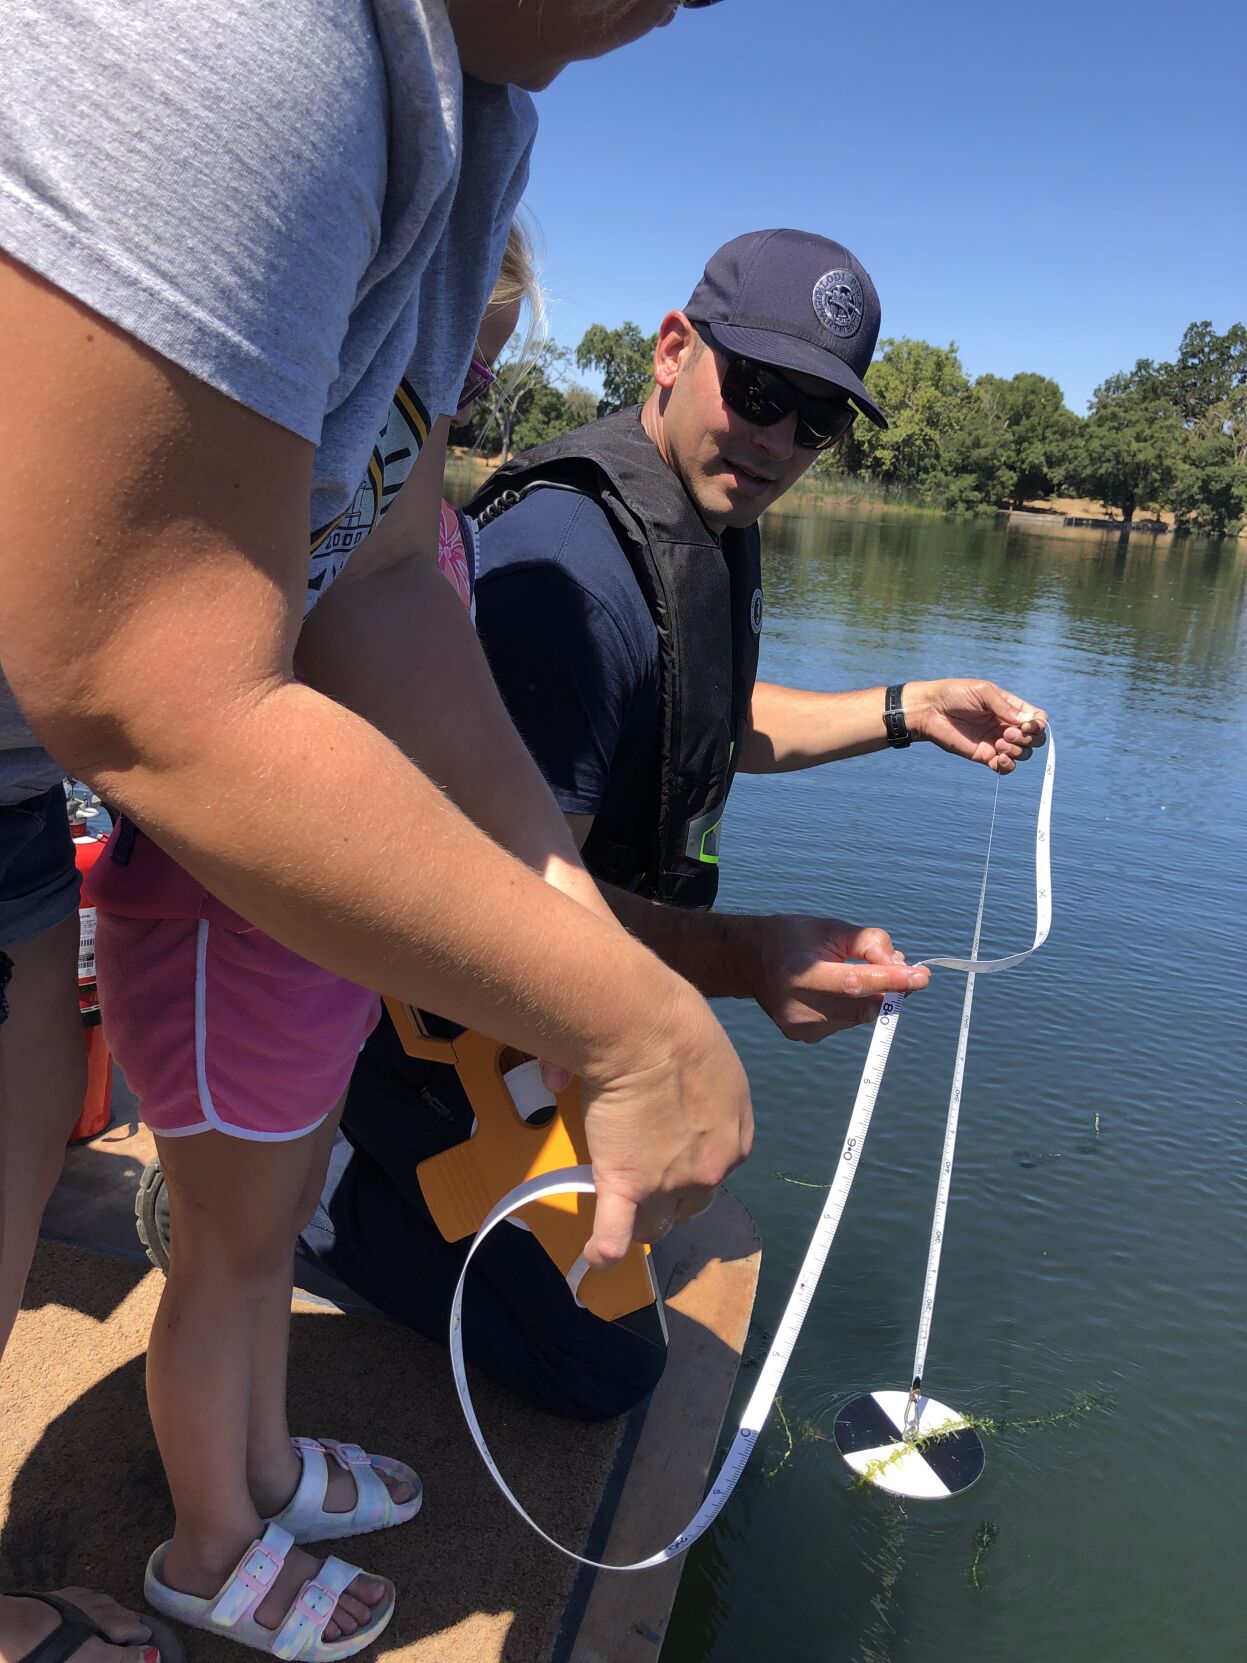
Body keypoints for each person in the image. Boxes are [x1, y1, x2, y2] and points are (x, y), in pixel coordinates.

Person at [0, 4, 750, 1659]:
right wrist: (616, 1011)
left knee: (242, 1240)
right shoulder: (249, 35)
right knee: (228, 1247)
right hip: (195, 912)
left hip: (213, 907)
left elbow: (385, 574)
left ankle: (255, 1471)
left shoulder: (476, 102)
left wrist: (569, 956)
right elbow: (149, 676)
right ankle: (211, 1539)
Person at [297, 229, 1048, 1420]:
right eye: (756, 392)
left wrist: (905, 708)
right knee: (600, 1366)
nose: (778, 442)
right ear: (671, 349)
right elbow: (495, 901)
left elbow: (712, 716)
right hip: (437, 1010)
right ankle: (308, 1188)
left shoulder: (699, 512)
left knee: (640, 1228)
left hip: (548, 981)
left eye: (817, 422)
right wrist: (750, 961)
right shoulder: (569, 575)